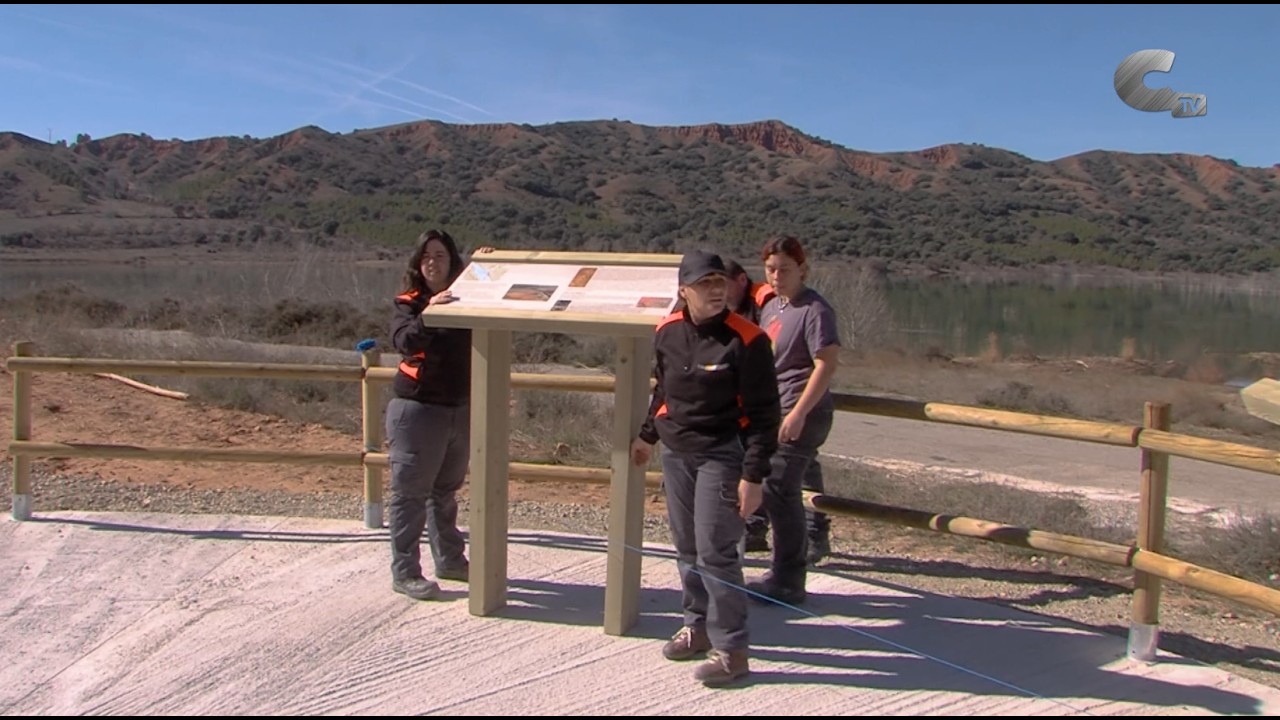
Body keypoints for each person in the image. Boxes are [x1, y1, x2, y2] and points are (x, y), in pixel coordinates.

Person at [631, 249, 781, 687]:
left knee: (716, 551)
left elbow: (764, 416)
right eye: (705, 284)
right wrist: (646, 435)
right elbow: (663, 392)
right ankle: (695, 626)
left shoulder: (748, 340)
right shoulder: (667, 332)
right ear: (684, 292)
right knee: (686, 547)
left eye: (720, 282)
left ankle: (732, 650)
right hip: (677, 452)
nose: (716, 291)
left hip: (722, 454)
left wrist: (753, 477)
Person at [746, 235, 841, 605]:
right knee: (771, 487)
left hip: (804, 412)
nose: (776, 276)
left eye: (785, 269)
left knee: (779, 489)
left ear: (802, 268)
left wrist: (799, 412)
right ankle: (783, 571)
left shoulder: (815, 310)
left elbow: (826, 363)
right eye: (770, 269)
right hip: (776, 410)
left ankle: (789, 577)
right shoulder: (774, 309)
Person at [386, 228, 474, 601]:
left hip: (458, 408)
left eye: (440, 255)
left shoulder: (466, 297)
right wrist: (432, 310)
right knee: (410, 494)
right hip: (418, 410)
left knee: (445, 491)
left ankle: (451, 559)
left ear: (453, 260)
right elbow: (404, 340)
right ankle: (405, 572)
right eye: (426, 257)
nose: (432, 263)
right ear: (416, 263)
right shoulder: (410, 303)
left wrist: (484, 262)